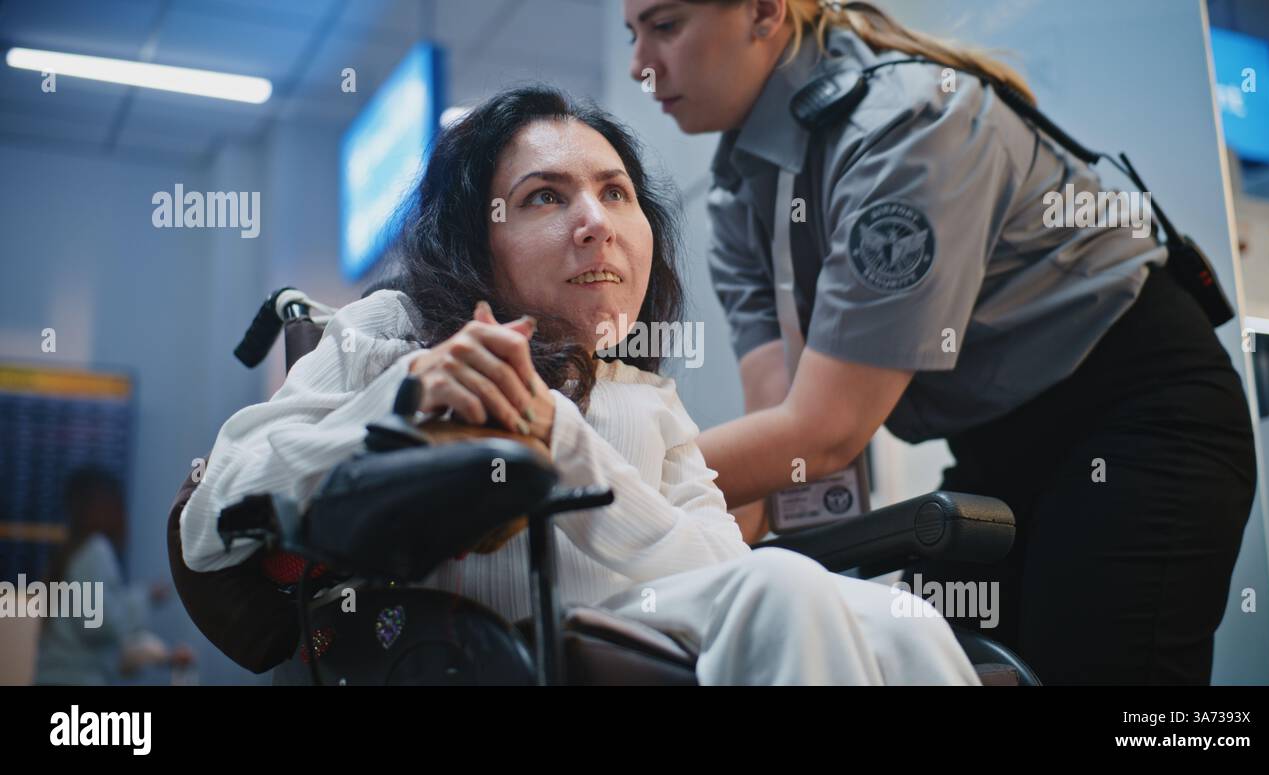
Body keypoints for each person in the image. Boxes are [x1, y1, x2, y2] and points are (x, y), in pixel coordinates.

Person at [180, 85, 980, 686]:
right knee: (783, 590)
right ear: (475, 239)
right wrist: (401, 400)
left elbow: (713, 563)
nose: (594, 220)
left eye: (616, 192)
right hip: (484, 642)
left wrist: (566, 444)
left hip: (651, 624)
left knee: (897, 619)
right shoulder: (396, 332)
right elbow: (218, 509)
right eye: (545, 197)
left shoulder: (645, 393)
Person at [624, 0, 1257, 684]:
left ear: (764, 12)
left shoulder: (904, 125)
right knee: (917, 657)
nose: (640, 66)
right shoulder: (737, 196)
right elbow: (778, 448)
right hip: (998, 447)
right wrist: (674, 554)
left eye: (664, 25)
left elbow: (825, 431)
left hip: (1140, 411)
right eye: (632, 35)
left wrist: (601, 471)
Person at [35, 466, 193, 685]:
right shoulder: (94, 551)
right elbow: (98, 625)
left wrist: (162, 657)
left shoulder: (72, 553)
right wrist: (146, 597)